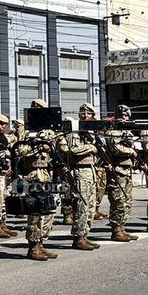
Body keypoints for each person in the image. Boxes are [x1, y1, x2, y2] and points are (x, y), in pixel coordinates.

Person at [16, 98, 59, 261]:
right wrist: (39, 146)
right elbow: (21, 150)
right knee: (34, 213)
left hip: (46, 174)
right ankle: (33, 246)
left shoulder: (49, 130)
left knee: (47, 212)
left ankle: (42, 243)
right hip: (32, 175)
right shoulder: (26, 130)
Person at [61, 102, 100, 251]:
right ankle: (78, 237)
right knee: (82, 205)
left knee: (90, 206)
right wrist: (91, 147)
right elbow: (74, 150)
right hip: (79, 172)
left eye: (88, 113)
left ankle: (85, 235)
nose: (85, 115)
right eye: (82, 113)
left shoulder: (91, 132)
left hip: (90, 171)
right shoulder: (74, 131)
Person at [105, 104, 139, 242]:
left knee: (127, 201)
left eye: (126, 115)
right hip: (118, 170)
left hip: (127, 170)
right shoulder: (114, 131)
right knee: (118, 201)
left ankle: (122, 228)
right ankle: (116, 230)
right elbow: (115, 148)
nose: (124, 118)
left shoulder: (127, 132)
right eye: (122, 115)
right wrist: (131, 151)